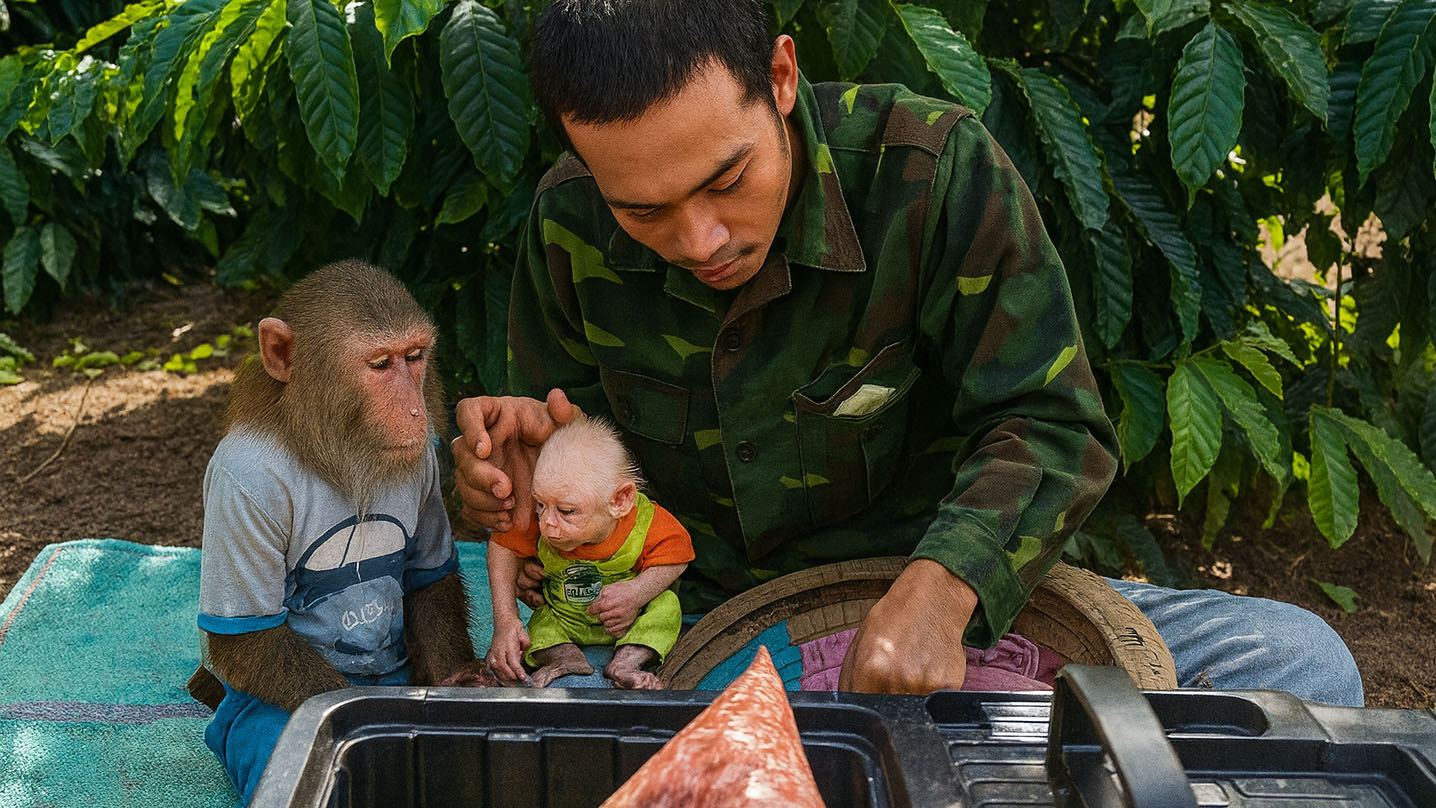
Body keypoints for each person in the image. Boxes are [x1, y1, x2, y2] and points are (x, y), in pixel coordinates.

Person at [451, 0, 1363, 705]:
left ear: (779, 76)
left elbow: (1050, 425)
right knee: (541, 722)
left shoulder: (932, 175)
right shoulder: (568, 224)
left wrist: (947, 585)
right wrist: (524, 496)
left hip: (936, 610)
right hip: (690, 622)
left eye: (728, 180)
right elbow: (563, 477)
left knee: (1299, 664)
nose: (699, 239)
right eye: (642, 211)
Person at [485, 416, 694, 689]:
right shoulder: (546, 515)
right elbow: (502, 546)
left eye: (567, 511)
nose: (547, 523)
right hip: (565, 617)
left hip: (628, 622)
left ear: (620, 500)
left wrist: (637, 592)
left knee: (666, 606)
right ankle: (563, 658)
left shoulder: (646, 521)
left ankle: (627, 662)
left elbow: (679, 555)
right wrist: (505, 620)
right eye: (539, 504)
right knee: (542, 624)